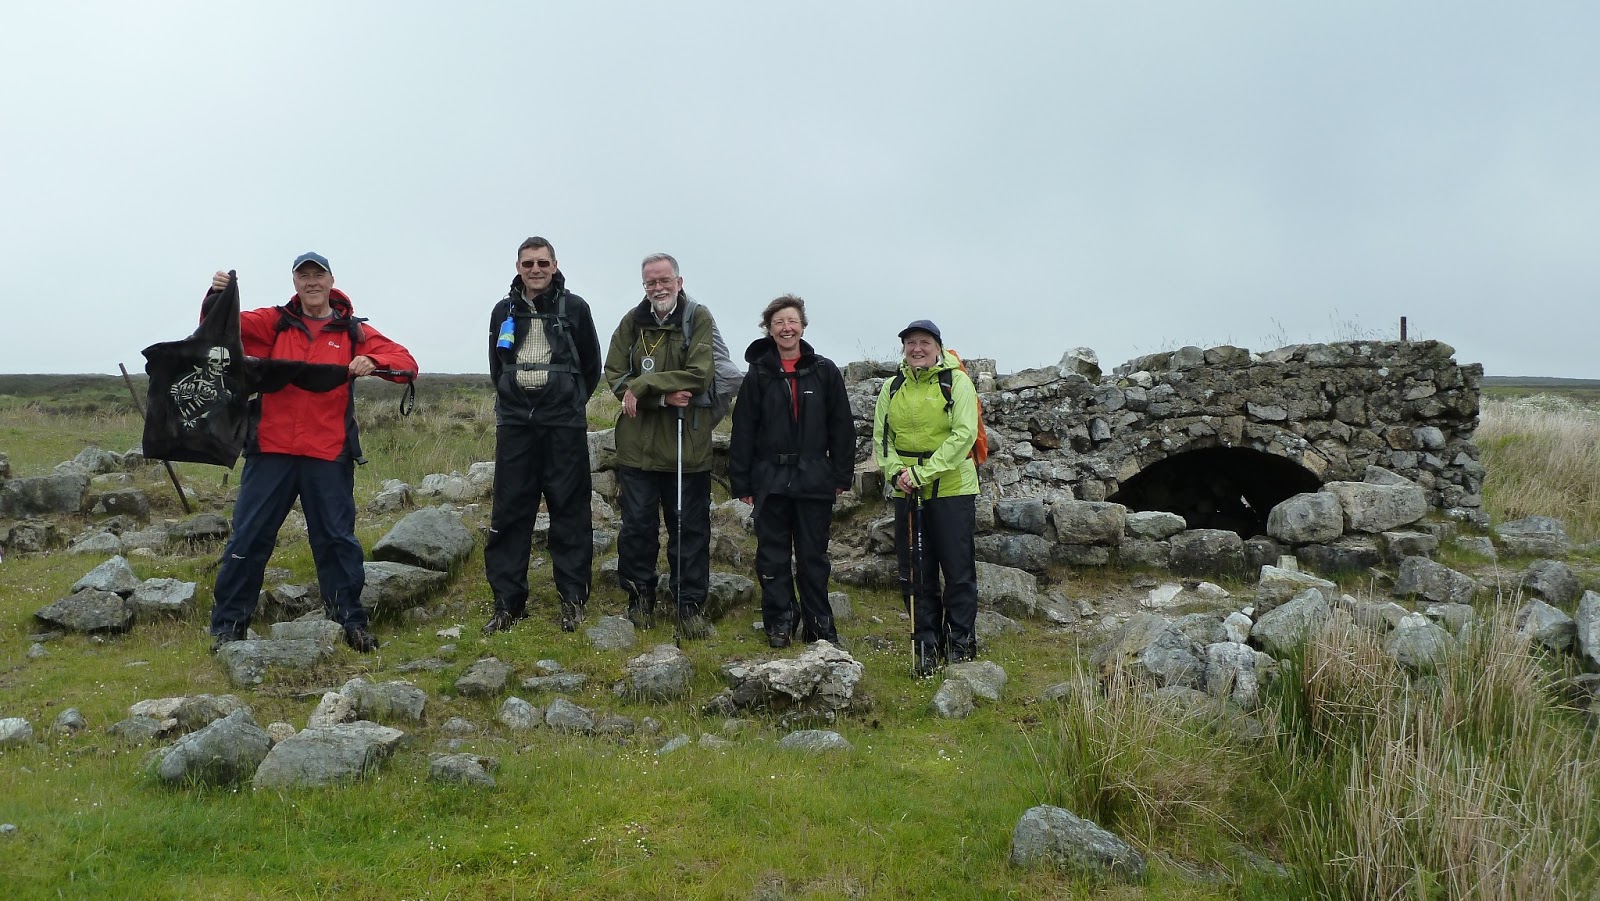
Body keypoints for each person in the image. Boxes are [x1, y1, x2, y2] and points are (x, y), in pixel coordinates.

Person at [207, 252, 418, 653]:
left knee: (337, 541)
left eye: (317, 275)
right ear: (295, 283)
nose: (311, 283)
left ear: (330, 280)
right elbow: (218, 326)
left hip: (328, 453)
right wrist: (218, 294)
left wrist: (372, 360)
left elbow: (405, 362)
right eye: (303, 276)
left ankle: (349, 622)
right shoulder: (274, 323)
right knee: (248, 539)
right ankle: (228, 628)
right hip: (271, 450)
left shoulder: (353, 331)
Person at [482, 236, 604, 634]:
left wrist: (567, 401)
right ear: (517, 267)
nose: (535, 270)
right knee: (510, 510)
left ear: (555, 266)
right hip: (516, 425)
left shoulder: (576, 308)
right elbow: (497, 366)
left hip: (563, 425)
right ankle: (507, 603)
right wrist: (514, 401)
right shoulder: (504, 310)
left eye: (542, 263)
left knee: (570, 510)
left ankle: (572, 599)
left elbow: (591, 365)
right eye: (528, 263)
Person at [602, 252, 717, 639]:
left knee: (690, 530)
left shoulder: (698, 318)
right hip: (638, 449)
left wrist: (644, 384)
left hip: (688, 449)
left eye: (664, 280)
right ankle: (640, 597)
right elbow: (614, 373)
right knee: (637, 528)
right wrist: (661, 397)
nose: (658, 287)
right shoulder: (632, 323)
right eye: (651, 282)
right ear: (644, 286)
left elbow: (700, 374)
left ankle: (689, 605)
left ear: (679, 282)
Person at [728, 295, 853, 648]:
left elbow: (842, 427)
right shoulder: (758, 374)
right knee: (772, 555)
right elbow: (743, 431)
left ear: (803, 326)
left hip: (814, 478)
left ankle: (819, 625)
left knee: (814, 556)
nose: (787, 328)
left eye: (792, 321)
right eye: (779, 322)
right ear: (769, 329)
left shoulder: (824, 370)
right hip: (770, 480)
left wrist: (841, 476)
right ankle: (780, 620)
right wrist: (743, 482)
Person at [872, 319, 980, 676]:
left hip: (951, 489)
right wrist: (894, 473)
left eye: (924, 342)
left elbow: (964, 435)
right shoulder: (892, 386)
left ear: (937, 346)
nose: (917, 349)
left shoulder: (957, 382)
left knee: (957, 570)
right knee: (916, 574)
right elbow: (882, 439)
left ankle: (961, 644)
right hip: (907, 489)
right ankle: (926, 646)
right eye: (910, 343)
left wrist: (922, 473)